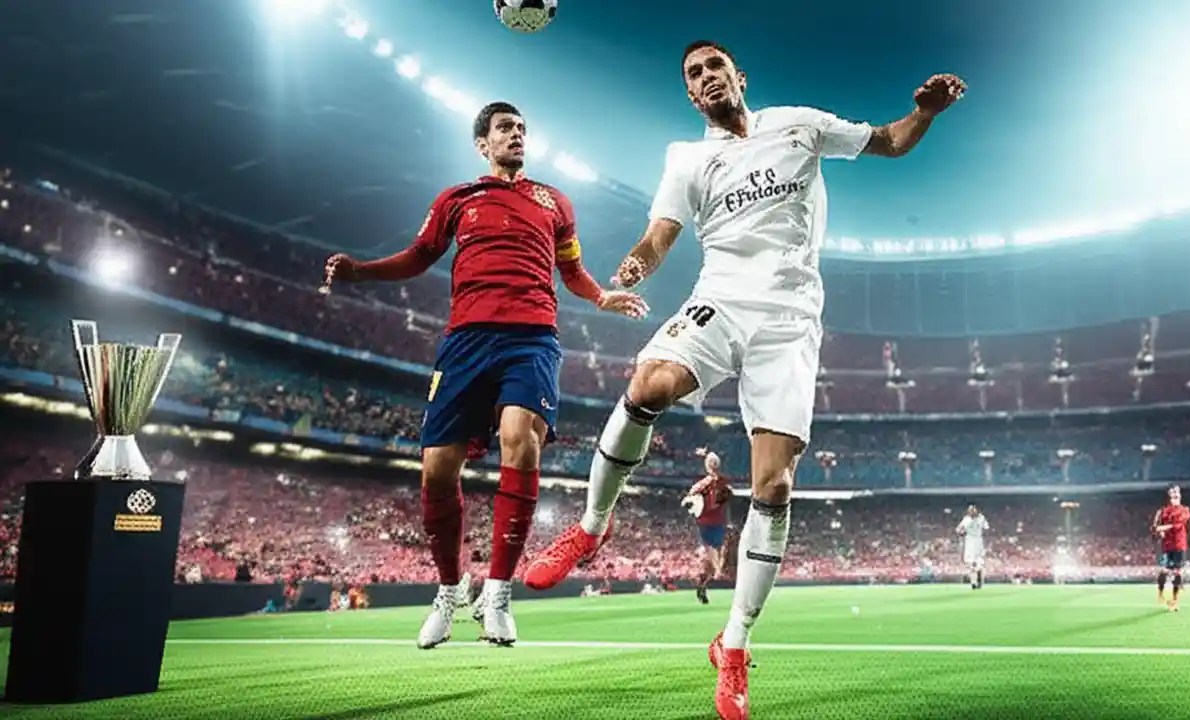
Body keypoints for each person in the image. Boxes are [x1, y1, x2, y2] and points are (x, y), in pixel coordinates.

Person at [524, 40, 965, 719]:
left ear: (739, 77)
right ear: (689, 93)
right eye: (693, 73)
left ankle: (732, 644)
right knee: (649, 383)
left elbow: (889, 142)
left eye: (714, 67)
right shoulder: (687, 157)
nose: (706, 77)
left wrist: (925, 113)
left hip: (790, 318)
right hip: (721, 299)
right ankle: (591, 525)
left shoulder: (798, 124)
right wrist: (638, 263)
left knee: (774, 485)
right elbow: (659, 234)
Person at [322, 101, 647, 648]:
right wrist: (360, 271)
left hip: (532, 340)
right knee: (436, 471)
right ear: (482, 143)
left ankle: (497, 593)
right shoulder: (457, 199)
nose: (516, 134)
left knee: (521, 441)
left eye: (522, 128)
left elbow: (570, 269)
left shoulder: (555, 202)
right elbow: (419, 255)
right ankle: (450, 590)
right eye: (505, 128)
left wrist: (600, 296)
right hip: (466, 342)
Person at [681, 451, 733, 604]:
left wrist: (728, 520)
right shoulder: (704, 484)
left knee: (716, 557)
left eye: (715, 462)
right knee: (712, 553)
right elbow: (689, 498)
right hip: (707, 522)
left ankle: (703, 583)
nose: (714, 465)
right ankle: (710, 577)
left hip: (718, 523)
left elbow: (725, 503)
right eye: (712, 462)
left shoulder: (723, 483)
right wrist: (691, 503)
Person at [1152, 485, 1190, 611]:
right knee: (1164, 571)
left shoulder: (1185, 510)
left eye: (1177, 491)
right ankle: (1160, 592)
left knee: (1178, 573)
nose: (1176, 493)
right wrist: (1164, 529)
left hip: (1180, 545)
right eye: (1173, 492)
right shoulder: (1162, 511)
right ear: (1169, 496)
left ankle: (1174, 600)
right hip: (1167, 546)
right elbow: (1155, 528)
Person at [955, 504, 990, 589]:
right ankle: (974, 581)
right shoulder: (968, 519)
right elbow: (958, 529)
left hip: (976, 541)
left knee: (976, 562)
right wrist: (962, 533)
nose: (972, 512)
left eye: (973, 510)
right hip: (971, 541)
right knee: (972, 563)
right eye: (970, 510)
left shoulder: (980, 518)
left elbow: (986, 527)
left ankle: (977, 579)